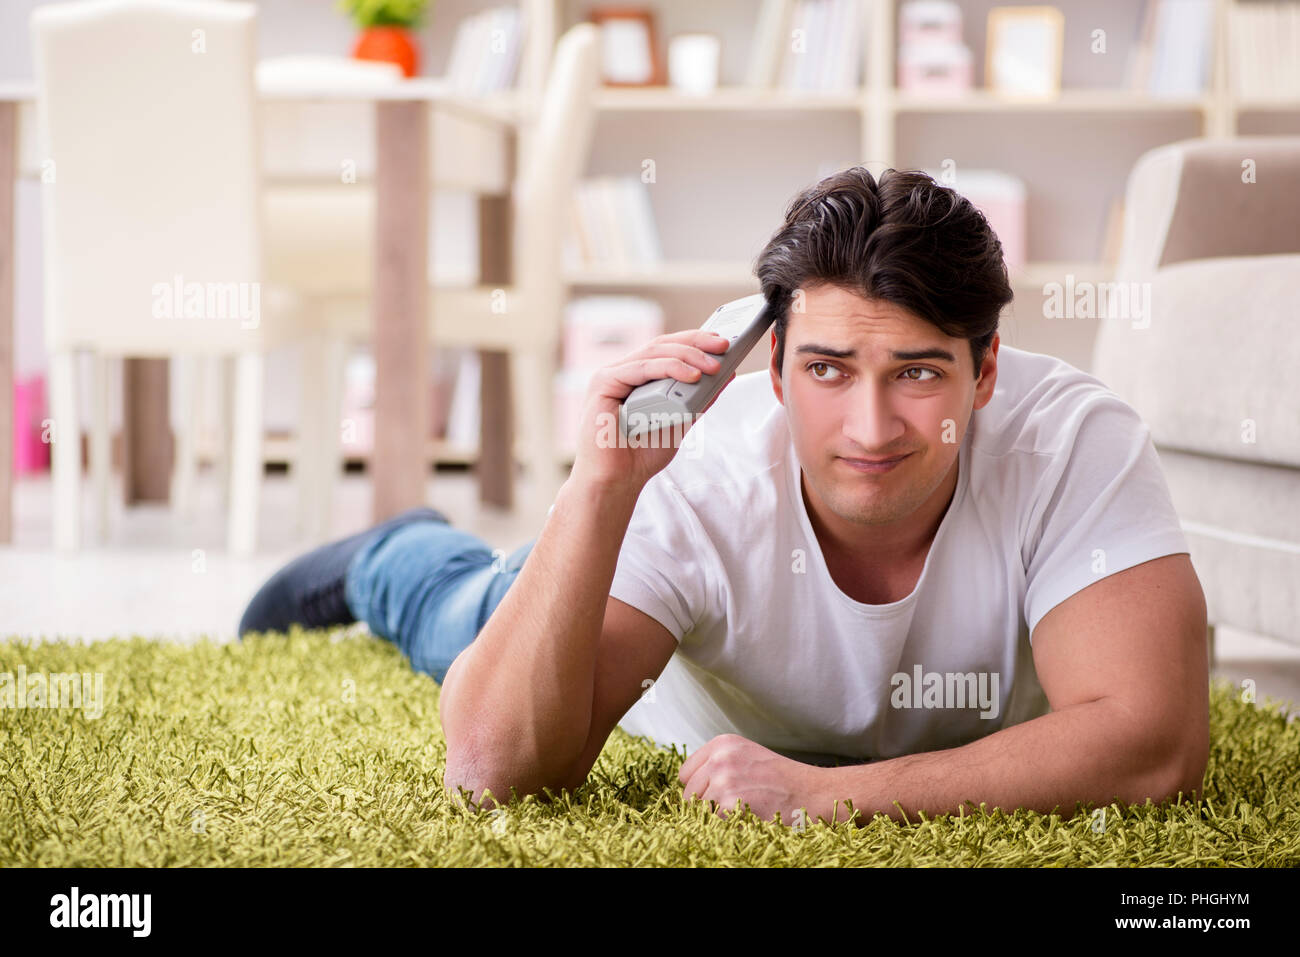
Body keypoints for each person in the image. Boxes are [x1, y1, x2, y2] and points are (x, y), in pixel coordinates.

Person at [239, 167, 1210, 828]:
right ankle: (388, 554)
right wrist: (600, 492)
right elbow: (492, 775)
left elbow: (1153, 744)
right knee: (470, 610)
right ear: (776, 366)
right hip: (627, 596)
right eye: (828, 370)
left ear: (985, 370)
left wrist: (838, 796)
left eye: (916, 375)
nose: (870, 430)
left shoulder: (1071, 439)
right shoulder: (700, 465)